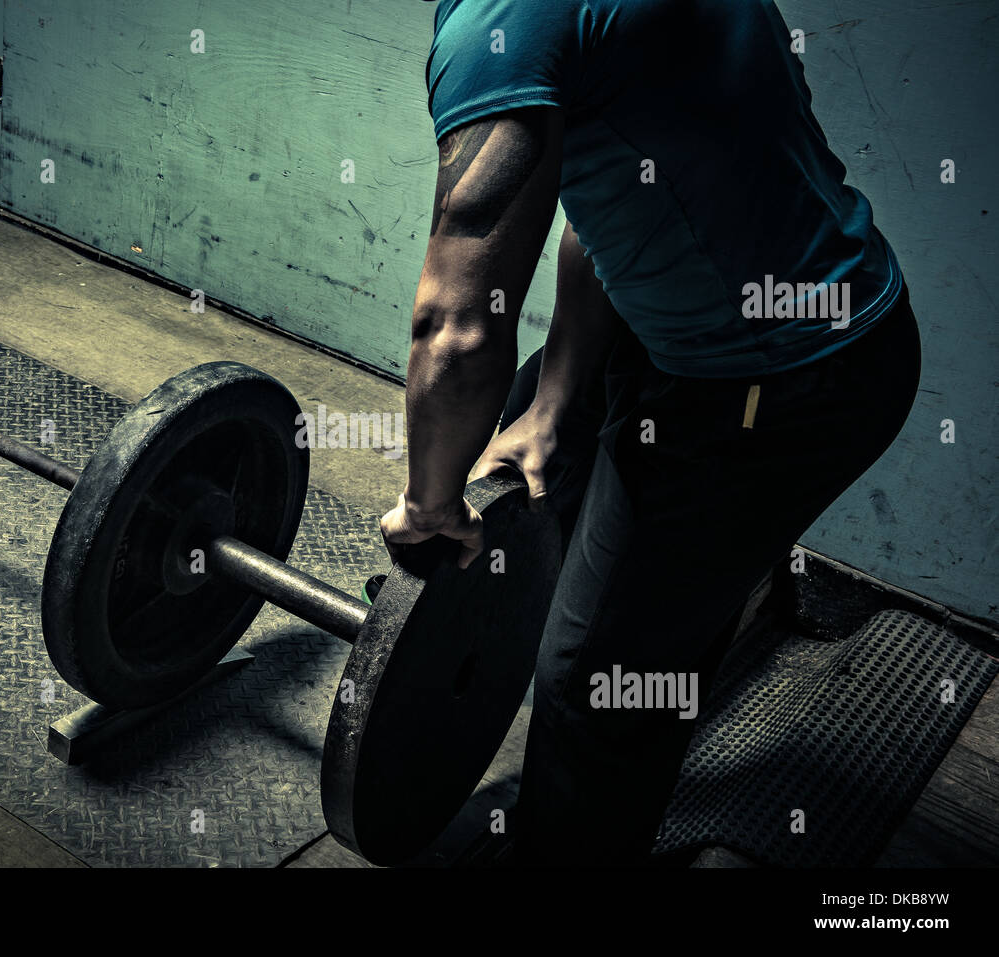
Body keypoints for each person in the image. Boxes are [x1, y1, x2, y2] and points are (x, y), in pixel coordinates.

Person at [377, 0, 921, 865]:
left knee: (592, 687)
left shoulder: (502, 28)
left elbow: (457, 330)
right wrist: (553, 405)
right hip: (801, 325)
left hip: (781, 384)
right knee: (565, 498)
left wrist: (429, 504)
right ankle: (670, 630)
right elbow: (618, 200)